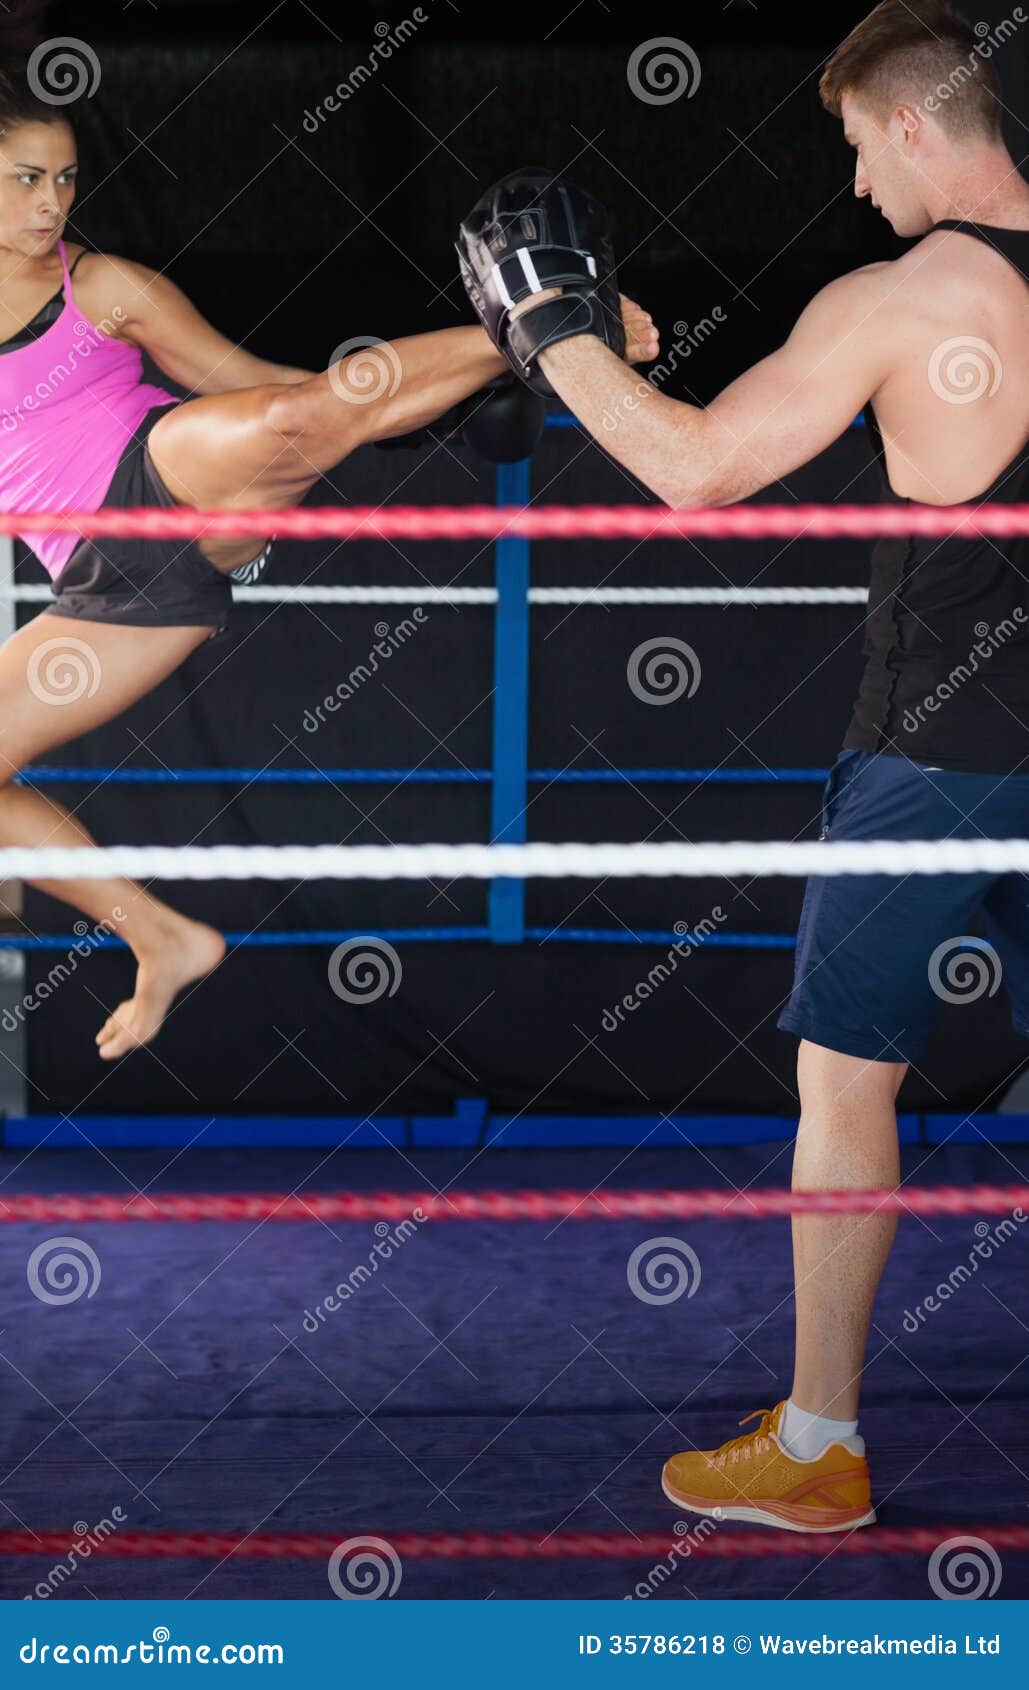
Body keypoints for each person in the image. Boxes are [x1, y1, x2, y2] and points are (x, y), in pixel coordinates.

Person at [458, 0, 1029, 1529]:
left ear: (917, 122)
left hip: (941, 762)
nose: (855, 184)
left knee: (843, 1082)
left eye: (856, 143)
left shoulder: (912, 294)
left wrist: (556, 331)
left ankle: (818, 1445)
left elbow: (696, 467)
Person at [0, 12, 661, 1062]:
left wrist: (365, 417)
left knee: (291, 416)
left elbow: (260, 385)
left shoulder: (104, 289)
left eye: (66, 179)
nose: (52, 204)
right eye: (26, 180)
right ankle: (160, 935)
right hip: (97, 586)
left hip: (162, 477)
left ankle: (551, 320)